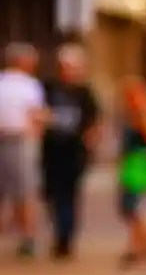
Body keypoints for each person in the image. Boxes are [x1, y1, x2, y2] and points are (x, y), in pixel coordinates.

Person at [40, 44, 100, 260]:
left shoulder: (85, 92)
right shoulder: (48, 88)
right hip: (51, 150)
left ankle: (65, 238)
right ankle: (60, 233)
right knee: (51, 195)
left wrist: (91, 146)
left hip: (74, 151)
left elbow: (94, 122)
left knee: (69, 196)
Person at [0, 42, 47, 258]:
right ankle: (27, 236)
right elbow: (36, 115)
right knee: (26, 191)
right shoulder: (29, 85)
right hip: (20, 139)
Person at [118, 76, 146, 268]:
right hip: (132, 163)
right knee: (130, 208)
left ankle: (139, 246)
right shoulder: (129, 115)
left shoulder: (140, 115)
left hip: (138, 164)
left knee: (134, 207)